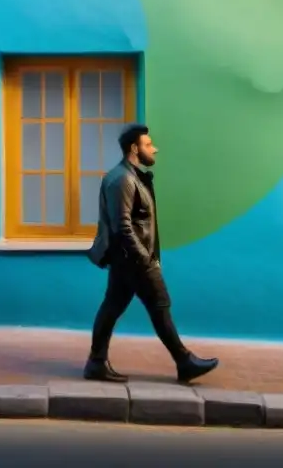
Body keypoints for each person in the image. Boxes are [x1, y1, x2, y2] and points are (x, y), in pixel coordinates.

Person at [84, 123, 219, 384]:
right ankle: (184, 361)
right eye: (148, 145)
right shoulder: (122, 179)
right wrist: (145, 259)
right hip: (133, 259)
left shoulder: (133, 176)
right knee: (160, 305)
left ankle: (96, 363)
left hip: (129, 259)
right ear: (134, 148)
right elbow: (122, 225)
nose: (154, 149)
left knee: (112, 307)